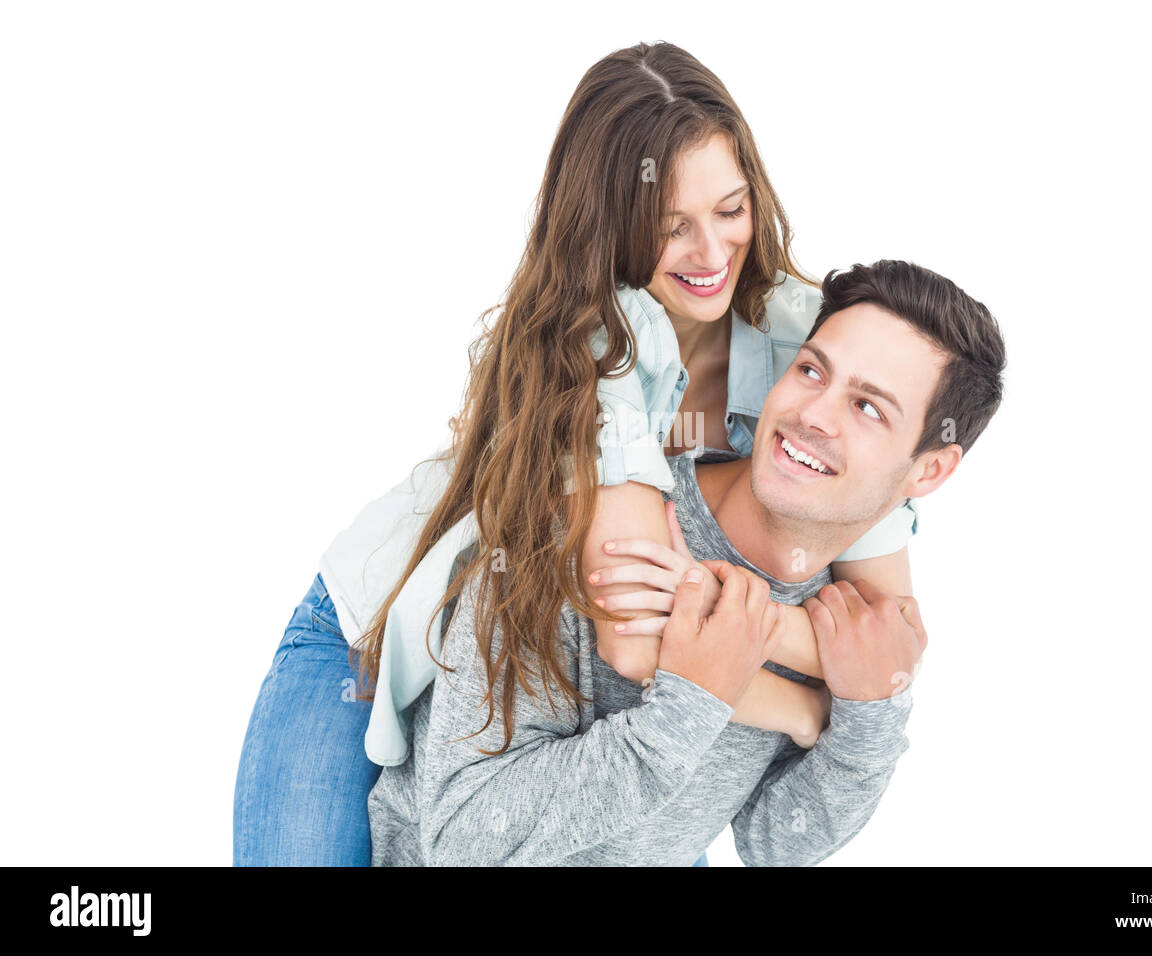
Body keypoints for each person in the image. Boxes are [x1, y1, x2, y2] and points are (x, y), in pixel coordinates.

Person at [234, 41, 920, 867]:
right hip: (385, 636)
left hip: (594, 697)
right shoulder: (590, 347)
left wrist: (744, 643)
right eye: (673, 227)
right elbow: (633, 637)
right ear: (613, 225)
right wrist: (810, 709)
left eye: (731, 210)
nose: (712, 255)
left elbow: (890, 635)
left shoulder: (813, 343)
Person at [368, 259, 1006, 865]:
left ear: (930, 469)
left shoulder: (840, 629)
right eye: (812, 371)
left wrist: (865, 720)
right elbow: (460, 834)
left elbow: (773, 844)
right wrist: (693, 701)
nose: (813, 415)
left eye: (868, 407)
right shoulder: (596, 527)